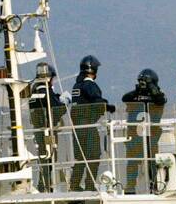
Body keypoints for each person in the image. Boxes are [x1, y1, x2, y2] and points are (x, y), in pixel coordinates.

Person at [69, 55, 115, 191]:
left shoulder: (76, 86)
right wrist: (108, 106)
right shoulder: (90, 85)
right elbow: (97, 101)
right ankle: (89, 184)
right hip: (88, 124)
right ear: (94, 70)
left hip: (77, 127)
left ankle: (74, 184)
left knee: (81, 157)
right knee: (94, 155)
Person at [121, 68, 166, 193]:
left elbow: (160, 100)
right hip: (136, 135)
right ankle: (130, 186)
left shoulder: (158, 95)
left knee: (153, 161)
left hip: (151, 135)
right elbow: (125, 98)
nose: (142, 84)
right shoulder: (135, 95)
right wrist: (137, 91)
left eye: (144, 81)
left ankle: (155, 184)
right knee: (132, 162)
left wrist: (151, 87)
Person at [28, 62, 65, 190]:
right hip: (48, 131)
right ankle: (45, 186)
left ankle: (43, 185)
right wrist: (65, 101)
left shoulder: (33, 92)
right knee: (49, 159)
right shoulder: (46, 91)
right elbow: (56, 109)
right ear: (49, 78)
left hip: (38, 129)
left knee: (44, 159)